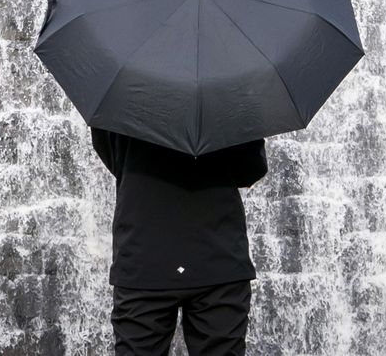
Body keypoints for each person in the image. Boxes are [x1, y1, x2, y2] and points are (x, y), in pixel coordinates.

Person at [90, 127, 268, 356]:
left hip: (144, 256)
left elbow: (115, 159)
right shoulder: (233, 98)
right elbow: (249, 170)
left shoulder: (118, 96)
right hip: (217, 256)